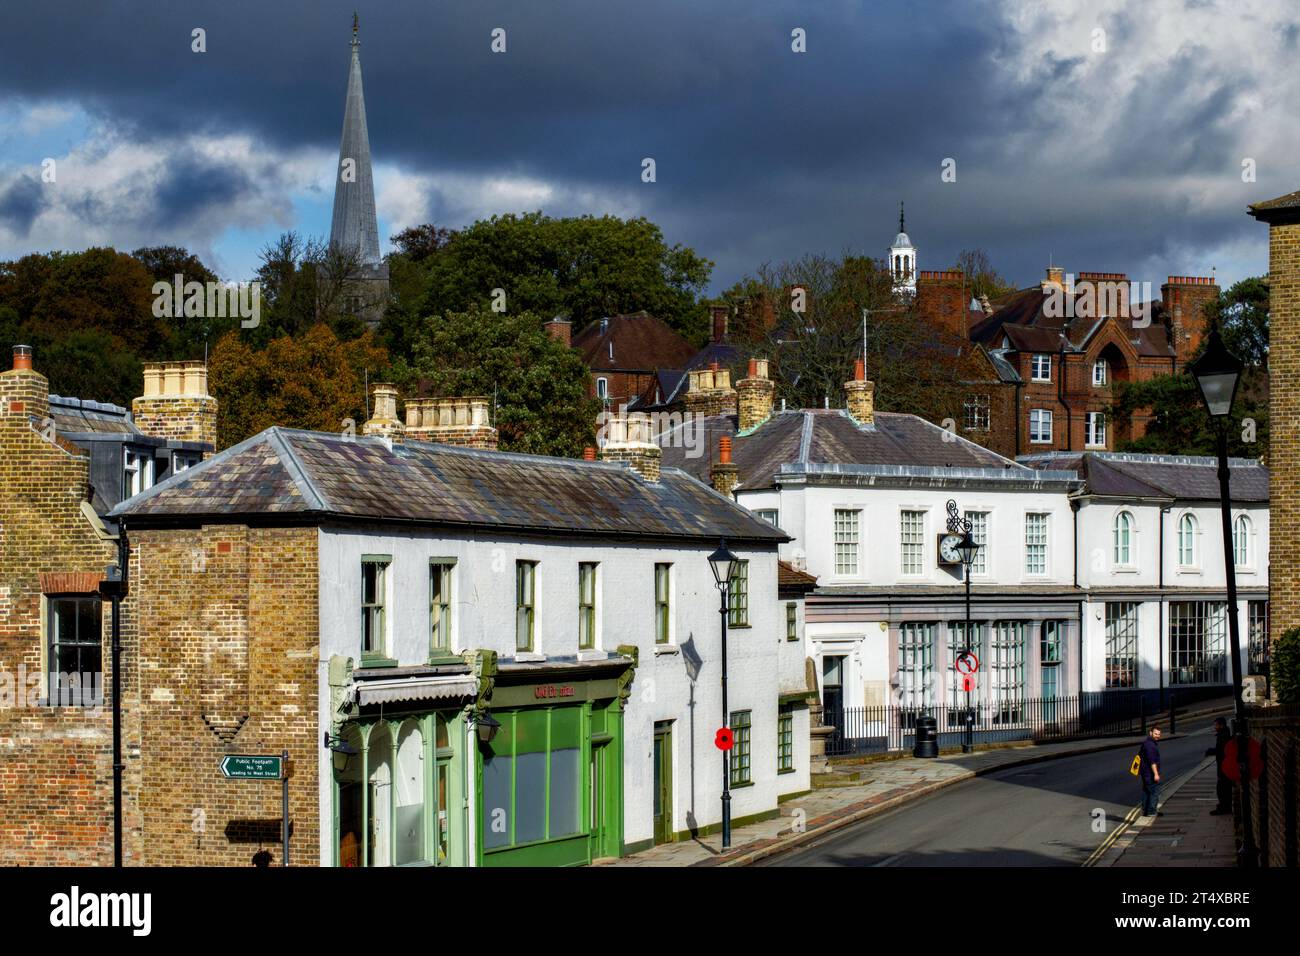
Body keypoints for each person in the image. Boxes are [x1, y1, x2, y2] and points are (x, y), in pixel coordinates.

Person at [1205, 716, 1232, 815]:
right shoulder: (1224, 733)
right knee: (1223, 787)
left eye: (1216, 725)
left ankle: (1224, 807)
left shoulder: (1223, 736)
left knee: (1222, 788)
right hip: (1224, 765)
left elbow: (1221, 750)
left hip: (1223, 765)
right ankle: (1225, 806)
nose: (1214, 727)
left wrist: (1211, 751)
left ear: (1221, 725)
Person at [1138, 725, 1162, 816]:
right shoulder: (1150, 746)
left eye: (1159, 734)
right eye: (1155, 733)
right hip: (1150, 773)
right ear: (1150, 733)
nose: (1157, 736)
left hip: (1145, 772)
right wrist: (1156, 774)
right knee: (1155, 791)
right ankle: (1151, 811)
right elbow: (1152, 762)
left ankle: (1145, 810)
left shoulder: (1146, 743)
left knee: (1146, 791)